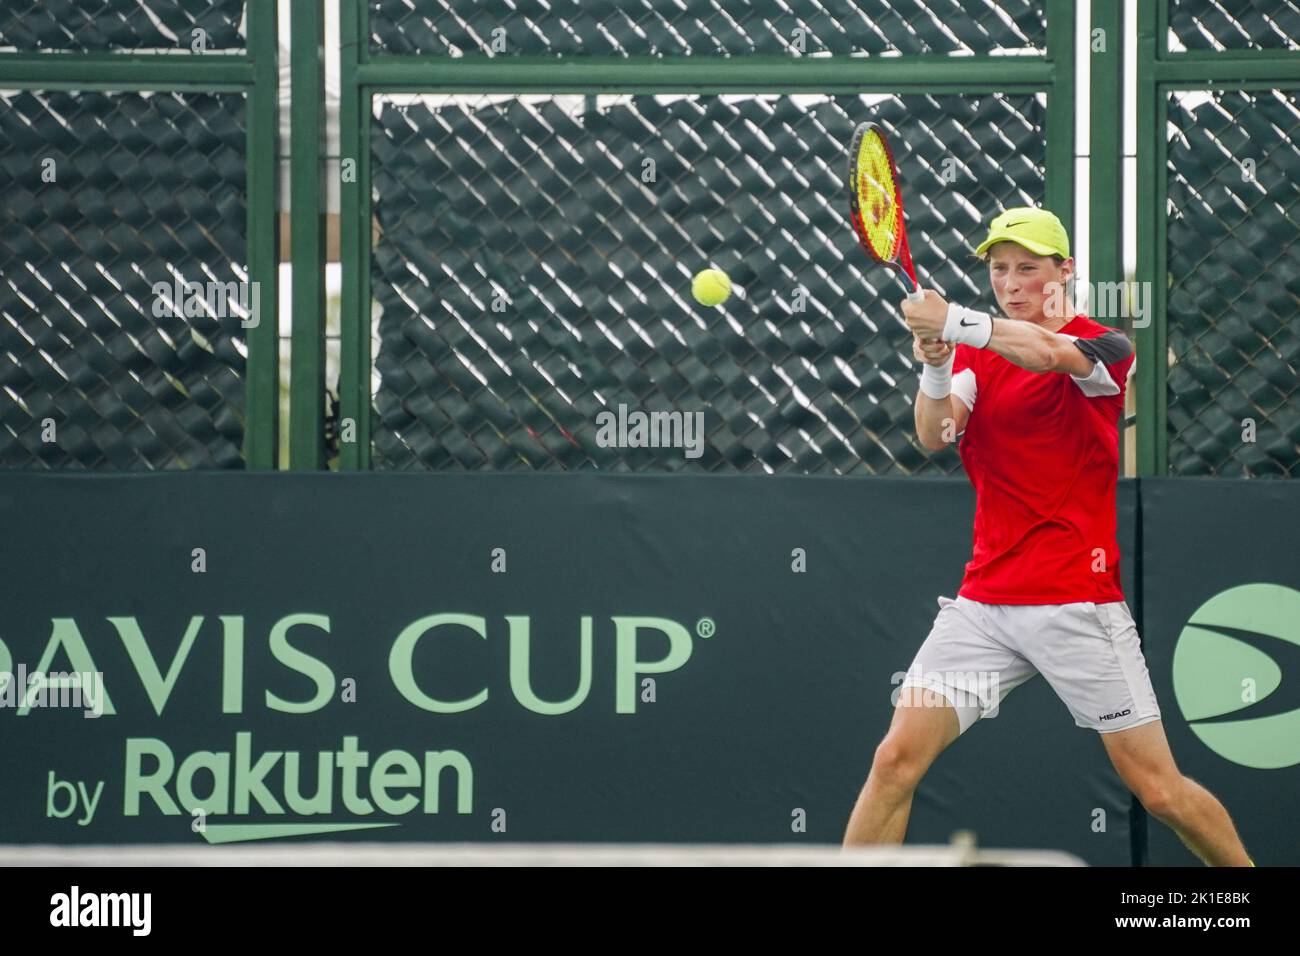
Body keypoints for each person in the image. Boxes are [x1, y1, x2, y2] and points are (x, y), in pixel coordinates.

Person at [842, 207, 1253, 866]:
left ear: (1065, 272)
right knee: (894, 761)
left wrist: (955, 321)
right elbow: (933, 434)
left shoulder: (1107, 346)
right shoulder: (978, 353)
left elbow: (1048, 353)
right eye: (1000, 269)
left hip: (1075, 605)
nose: (1011, 282)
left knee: (1161, 793)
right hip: (982, 608)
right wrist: (938, 365)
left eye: (1027, 268)